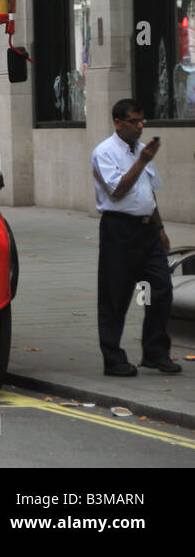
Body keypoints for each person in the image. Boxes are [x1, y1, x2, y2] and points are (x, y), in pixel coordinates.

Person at [90, 98, 180, 376]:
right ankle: (113, 358)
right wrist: (142, 161)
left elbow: (147, 193)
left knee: (160, 289)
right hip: (119, 230)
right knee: (116, 294)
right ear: (118, 123)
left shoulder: (142, 150)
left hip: (147, 230)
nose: (140, 127)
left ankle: (155, 351)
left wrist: (160, 228)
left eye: (143, 121)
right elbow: (118, 191)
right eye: (134, 121)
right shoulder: (104, 152)